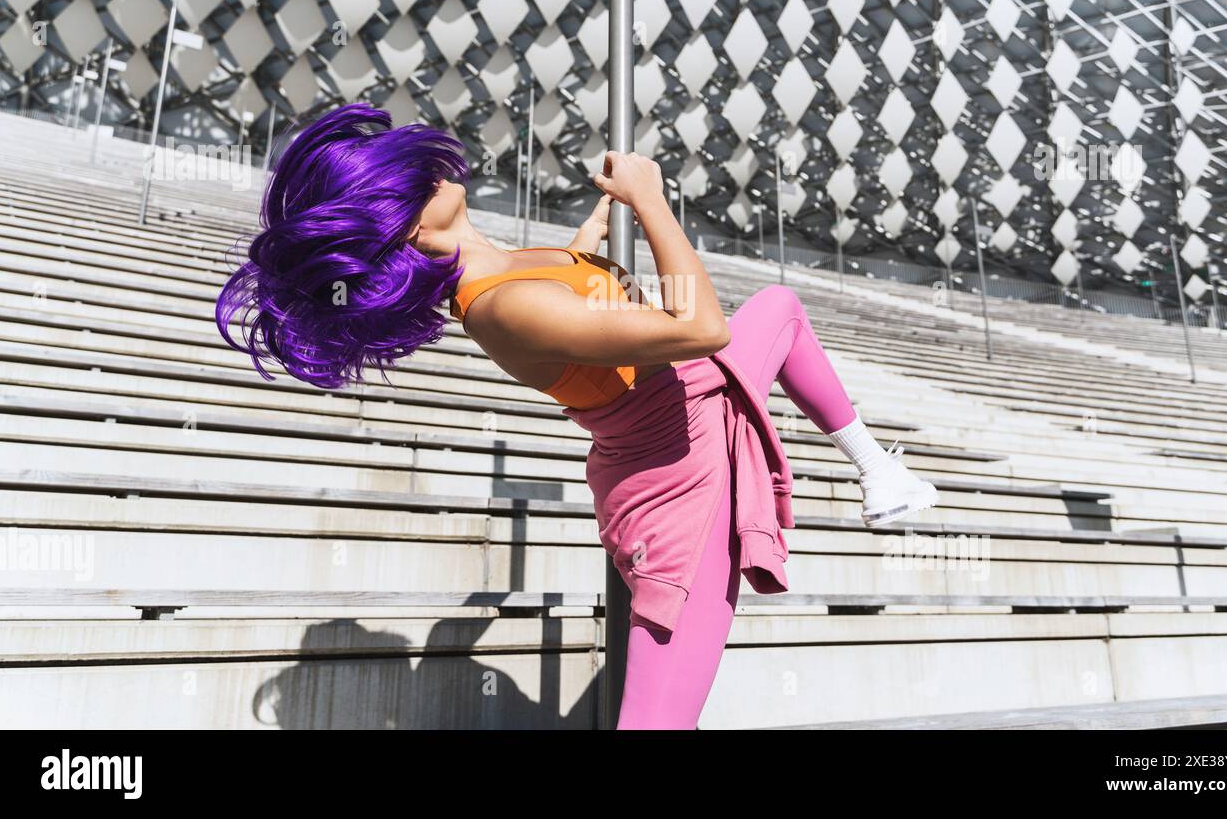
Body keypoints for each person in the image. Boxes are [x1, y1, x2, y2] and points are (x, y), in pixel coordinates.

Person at [216, 103, 937, 729]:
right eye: (412, 179)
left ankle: (879, 471)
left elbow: (569, 291)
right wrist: (652, 203)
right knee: (656, 720)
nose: (434, 173)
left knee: (779, 308)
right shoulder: (503, 306)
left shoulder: (500, 267)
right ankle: (879, 472)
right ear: (402, 228)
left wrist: (588, 245)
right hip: (676, 473)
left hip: (680, 422)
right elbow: (702, 328)